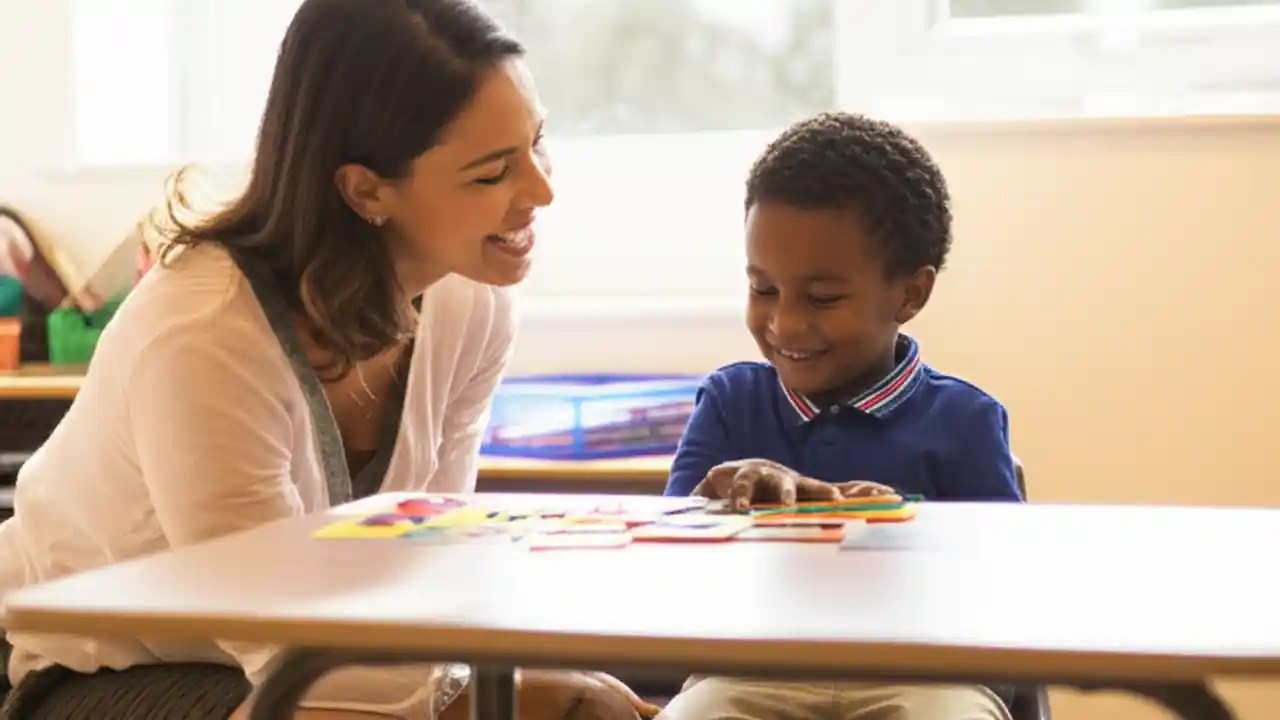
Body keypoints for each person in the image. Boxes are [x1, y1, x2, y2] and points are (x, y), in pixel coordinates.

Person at [0, 1, 652, 718]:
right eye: (492, 173)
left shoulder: (471, 302)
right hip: (94, 674)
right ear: (365, 190)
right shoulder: (205, 333)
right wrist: (488, 700)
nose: (542, 191)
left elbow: (431, 561)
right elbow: (283, 640)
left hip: (293, 666)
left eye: (538, 144)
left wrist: (499, 687)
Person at [660, 113, 1020, 720]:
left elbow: (1004, 602)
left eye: (823, 298)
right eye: (763, 289)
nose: (786, 324)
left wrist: (907, 535)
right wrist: (717, 501)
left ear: (910, 294)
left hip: (924, 676)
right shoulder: (728, 403)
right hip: (747, 672)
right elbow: (662, 579)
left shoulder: (966, 419)